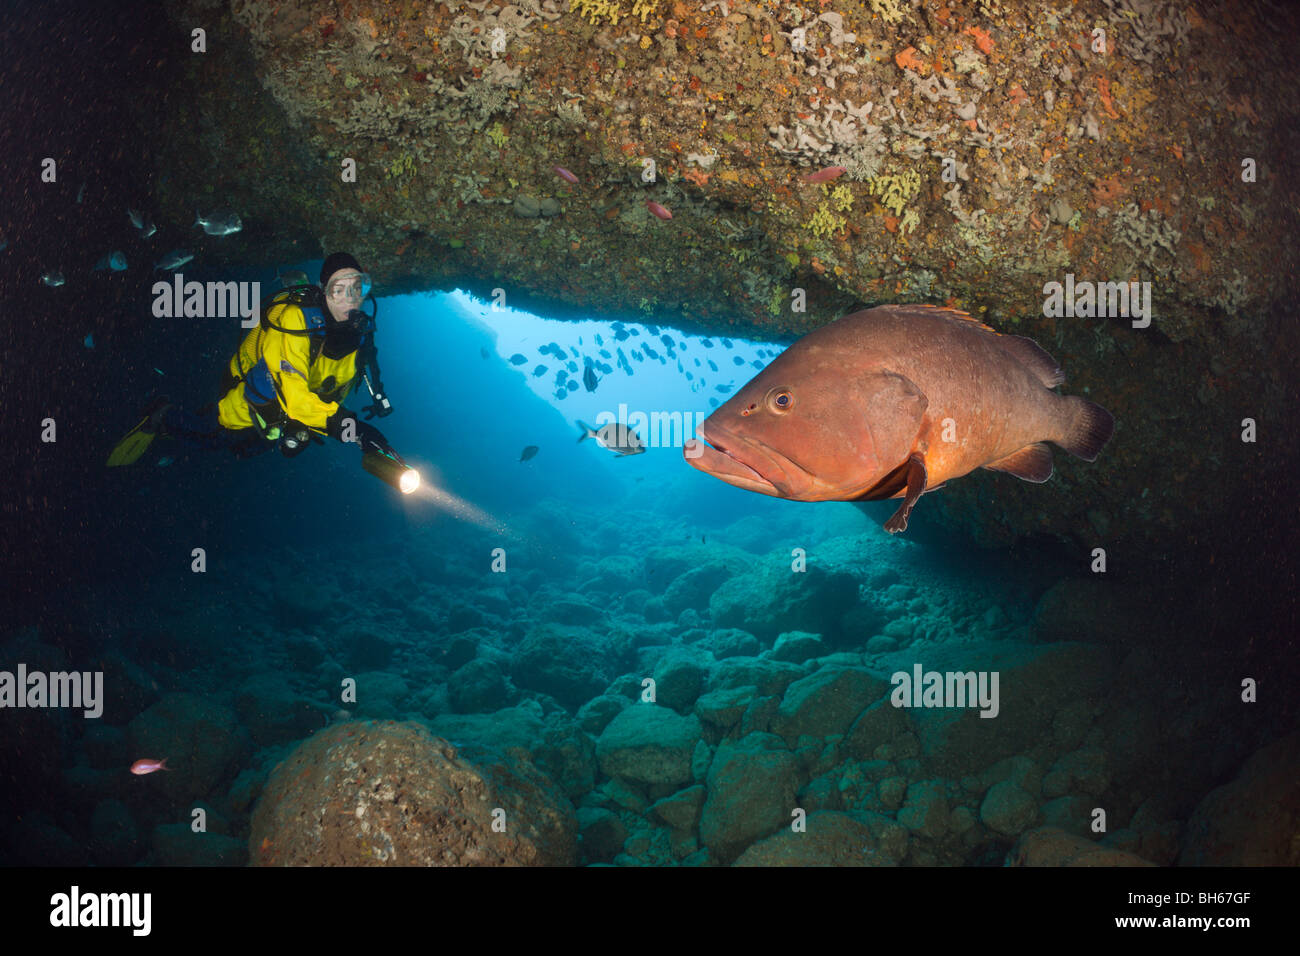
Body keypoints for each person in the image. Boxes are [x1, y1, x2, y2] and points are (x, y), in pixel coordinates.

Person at [108, 253, 397, 467]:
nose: (350, 298)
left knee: (244, 451)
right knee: (212, 437)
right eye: (338, 289)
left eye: (357, 288)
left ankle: (180, 428)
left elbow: (339, 384)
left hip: (290, 415)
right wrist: (356, 431)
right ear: (324, 291)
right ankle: (163, 415)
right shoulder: (294, 320)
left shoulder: (361, 333)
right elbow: (295, 396)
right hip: (250, 398)